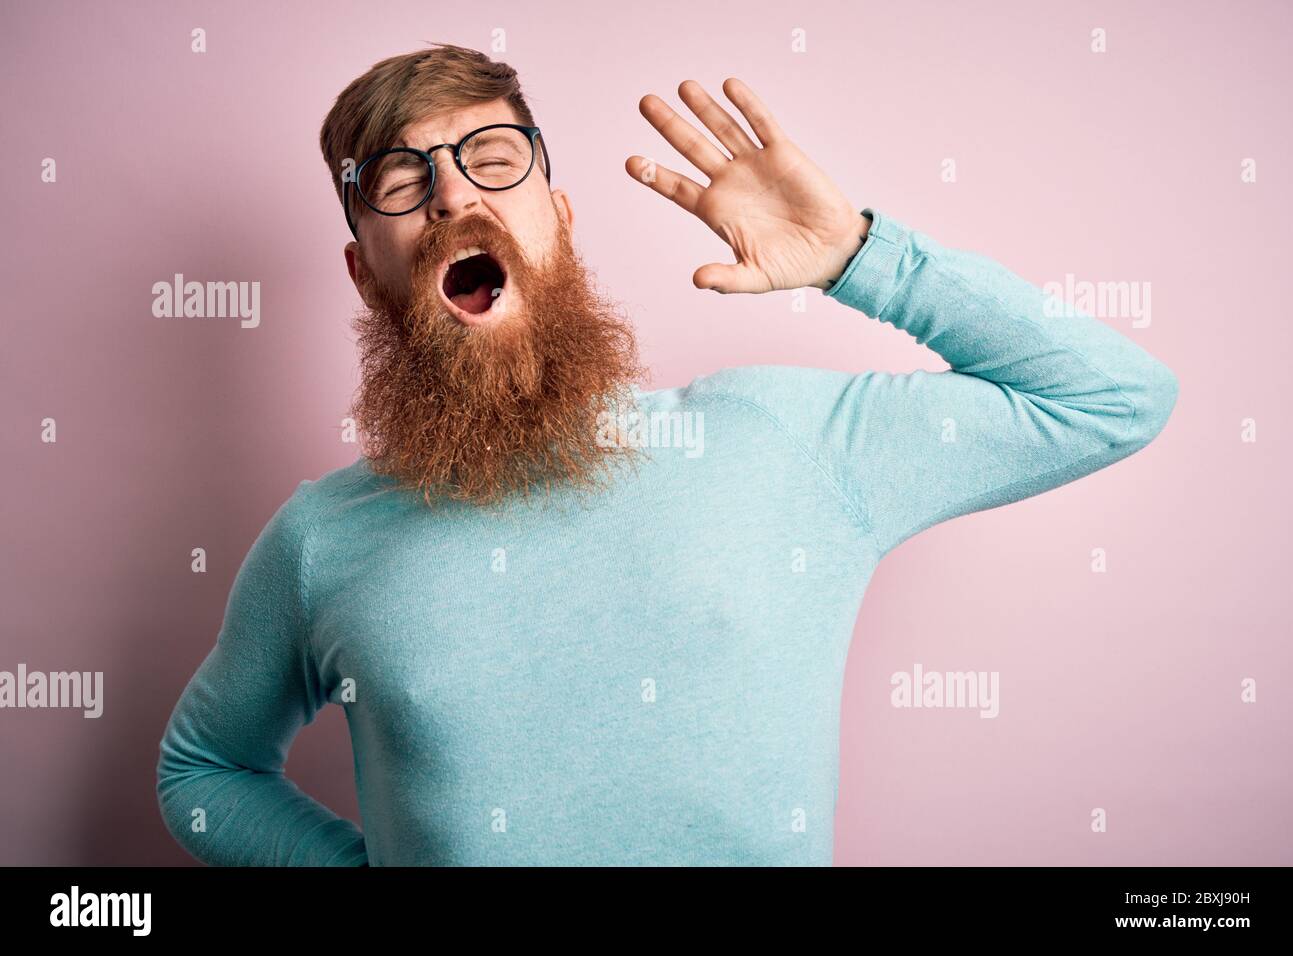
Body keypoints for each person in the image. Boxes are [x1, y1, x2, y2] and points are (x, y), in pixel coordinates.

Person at [156, 43, 1178, 865]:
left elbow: (1111, 397)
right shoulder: (319, 539)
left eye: (492, 158)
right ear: (363, 271)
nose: (454, 198)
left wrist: (862, 257)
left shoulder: (781, 443)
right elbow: (202, 769)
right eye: (399, 180)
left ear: (558, 215)